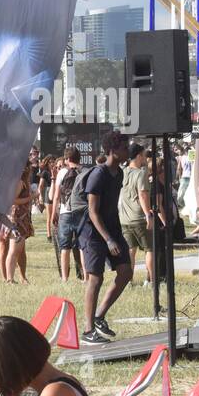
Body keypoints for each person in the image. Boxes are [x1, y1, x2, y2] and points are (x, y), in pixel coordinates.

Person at [79, 131, 133, 345]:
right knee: (96, 278)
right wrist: (108, 240)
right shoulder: (98, 174)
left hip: (113, 228)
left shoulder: (119, 173)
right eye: (124, 147)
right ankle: (87, 330)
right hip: (93, 232)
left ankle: (99, 316)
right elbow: (93, 211)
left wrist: (114, 236)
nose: (127, 150)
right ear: (112, 150)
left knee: (126, 271)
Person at [119, 142, 157, 288]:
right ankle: (152, 280)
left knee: (130, 250)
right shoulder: (141, 174)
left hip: (124, 218)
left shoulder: (122, 171)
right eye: (144, 155)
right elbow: (143, 195)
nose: (146, 159)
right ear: (139, 155)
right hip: (139, 217)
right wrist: (148, 214)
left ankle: (128, 280)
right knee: (149, 249)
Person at [51, 148, 86, 282]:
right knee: (82, 246)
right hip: (81, 212)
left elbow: (56, 195)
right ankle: (86, 277)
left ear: (67, 159)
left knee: (64, 247)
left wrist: (54, 212)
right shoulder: (84, 172)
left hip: (65, 212)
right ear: (79, 158)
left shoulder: (62, 172)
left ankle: (65, 278)